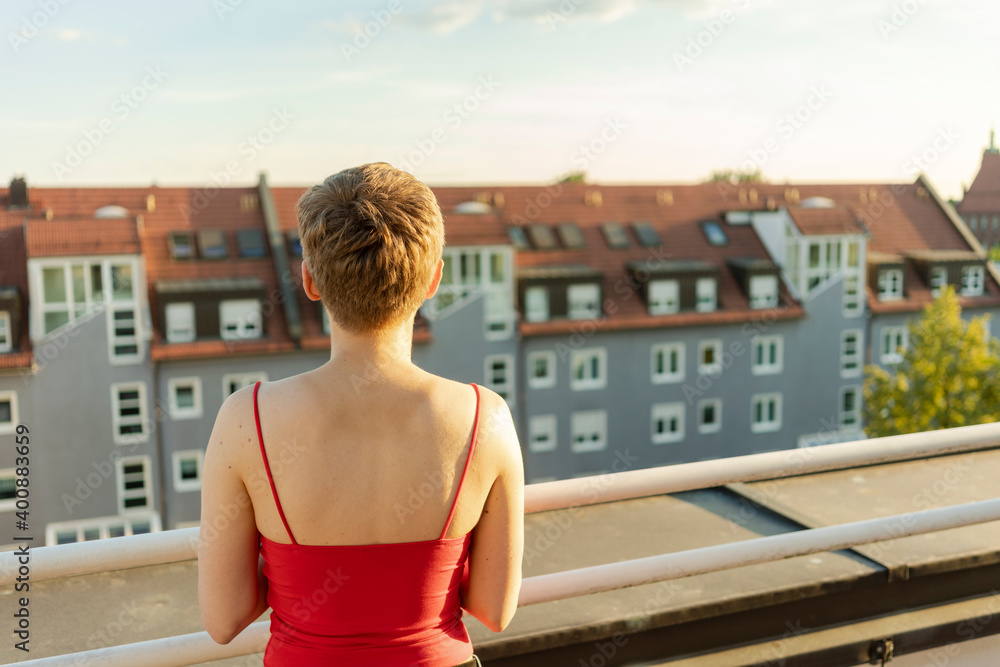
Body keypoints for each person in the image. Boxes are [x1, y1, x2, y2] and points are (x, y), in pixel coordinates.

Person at [198, 163, 525, 666]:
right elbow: (493, 608)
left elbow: (224, 620)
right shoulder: (486, 418)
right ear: (434, 279)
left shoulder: (248, 420)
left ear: (310, 280)